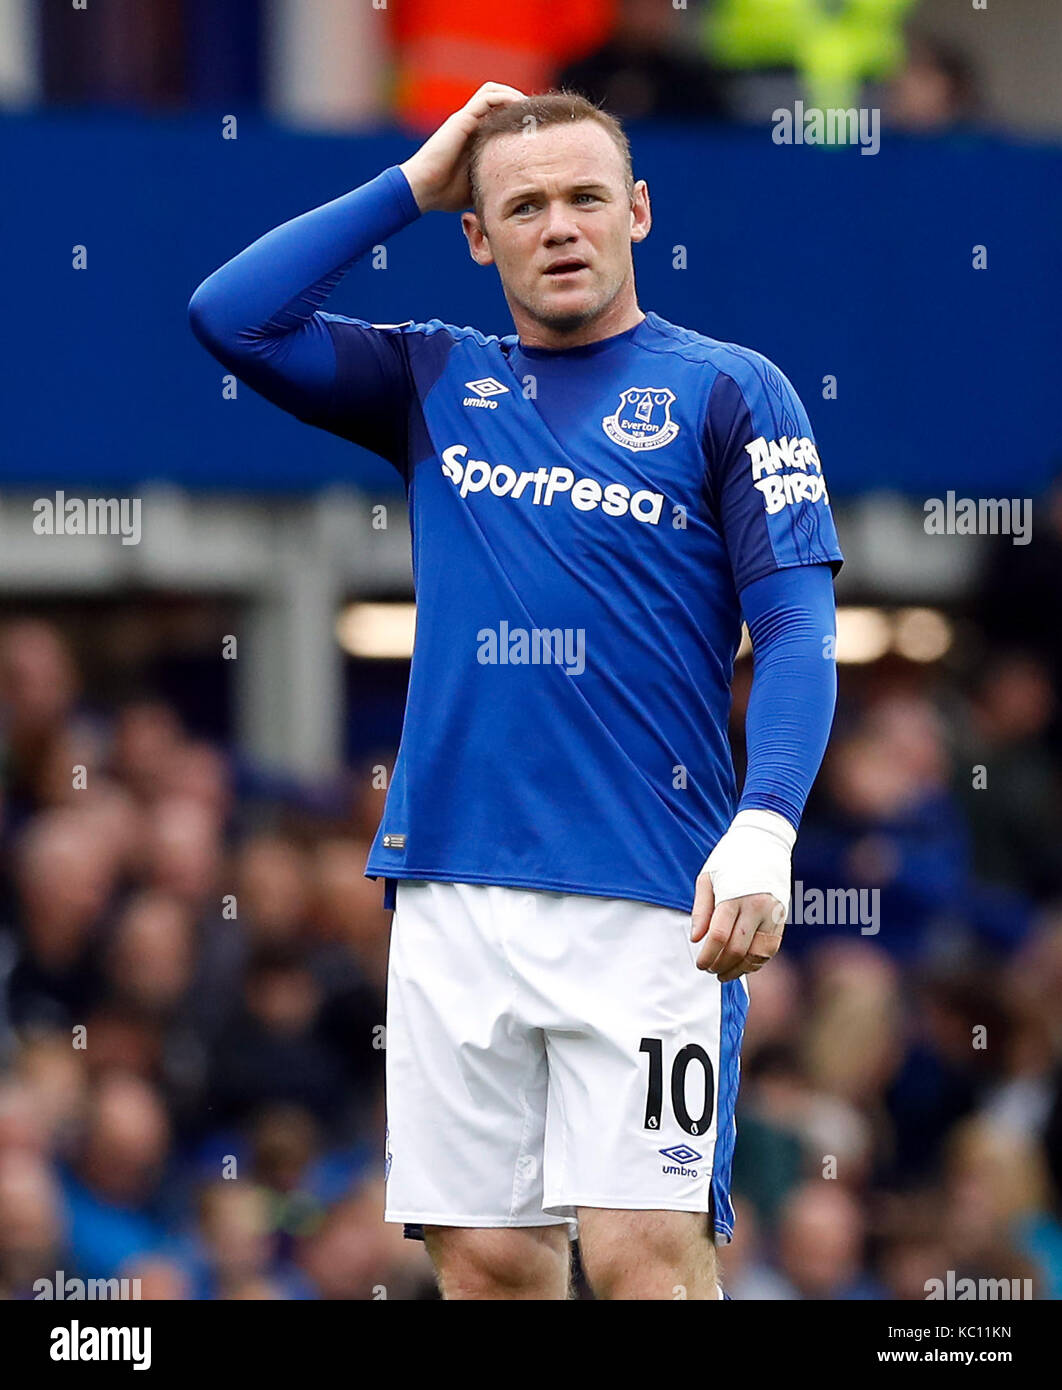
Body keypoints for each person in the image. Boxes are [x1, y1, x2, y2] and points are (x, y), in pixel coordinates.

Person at [189, 82, 843, 1300]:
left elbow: (799, 627)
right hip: (451, 891)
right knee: (488, 1265)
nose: (561, 226)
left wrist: (768, 821)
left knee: (648, 1257)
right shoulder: (436, 378)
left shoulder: (730, 391)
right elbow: (233, 319)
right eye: (523, 205)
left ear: (638, 211)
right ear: (478, 236)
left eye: (588, 197)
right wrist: (411, 184)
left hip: (652, 900)